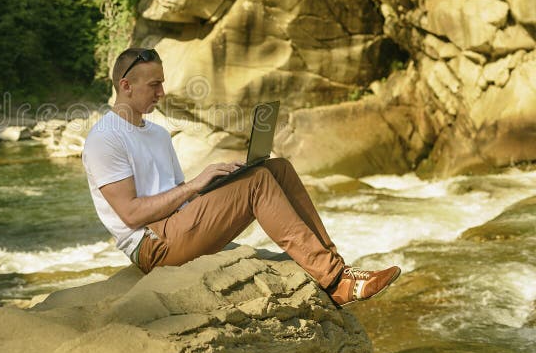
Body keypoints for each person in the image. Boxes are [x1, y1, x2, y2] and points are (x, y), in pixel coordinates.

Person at [82, 48, 401, 307]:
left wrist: (215, 184)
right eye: (154, 85)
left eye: (162, 83)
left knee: (277, 169)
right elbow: (132, 213)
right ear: (126, 85)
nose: (162, 92)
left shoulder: (157, 134)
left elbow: (176, 196)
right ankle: (334, 282)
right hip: (154, 245)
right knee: (258, 183)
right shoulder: (106, 137)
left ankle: (338, 270)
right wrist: (195, 186)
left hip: (178, 224)